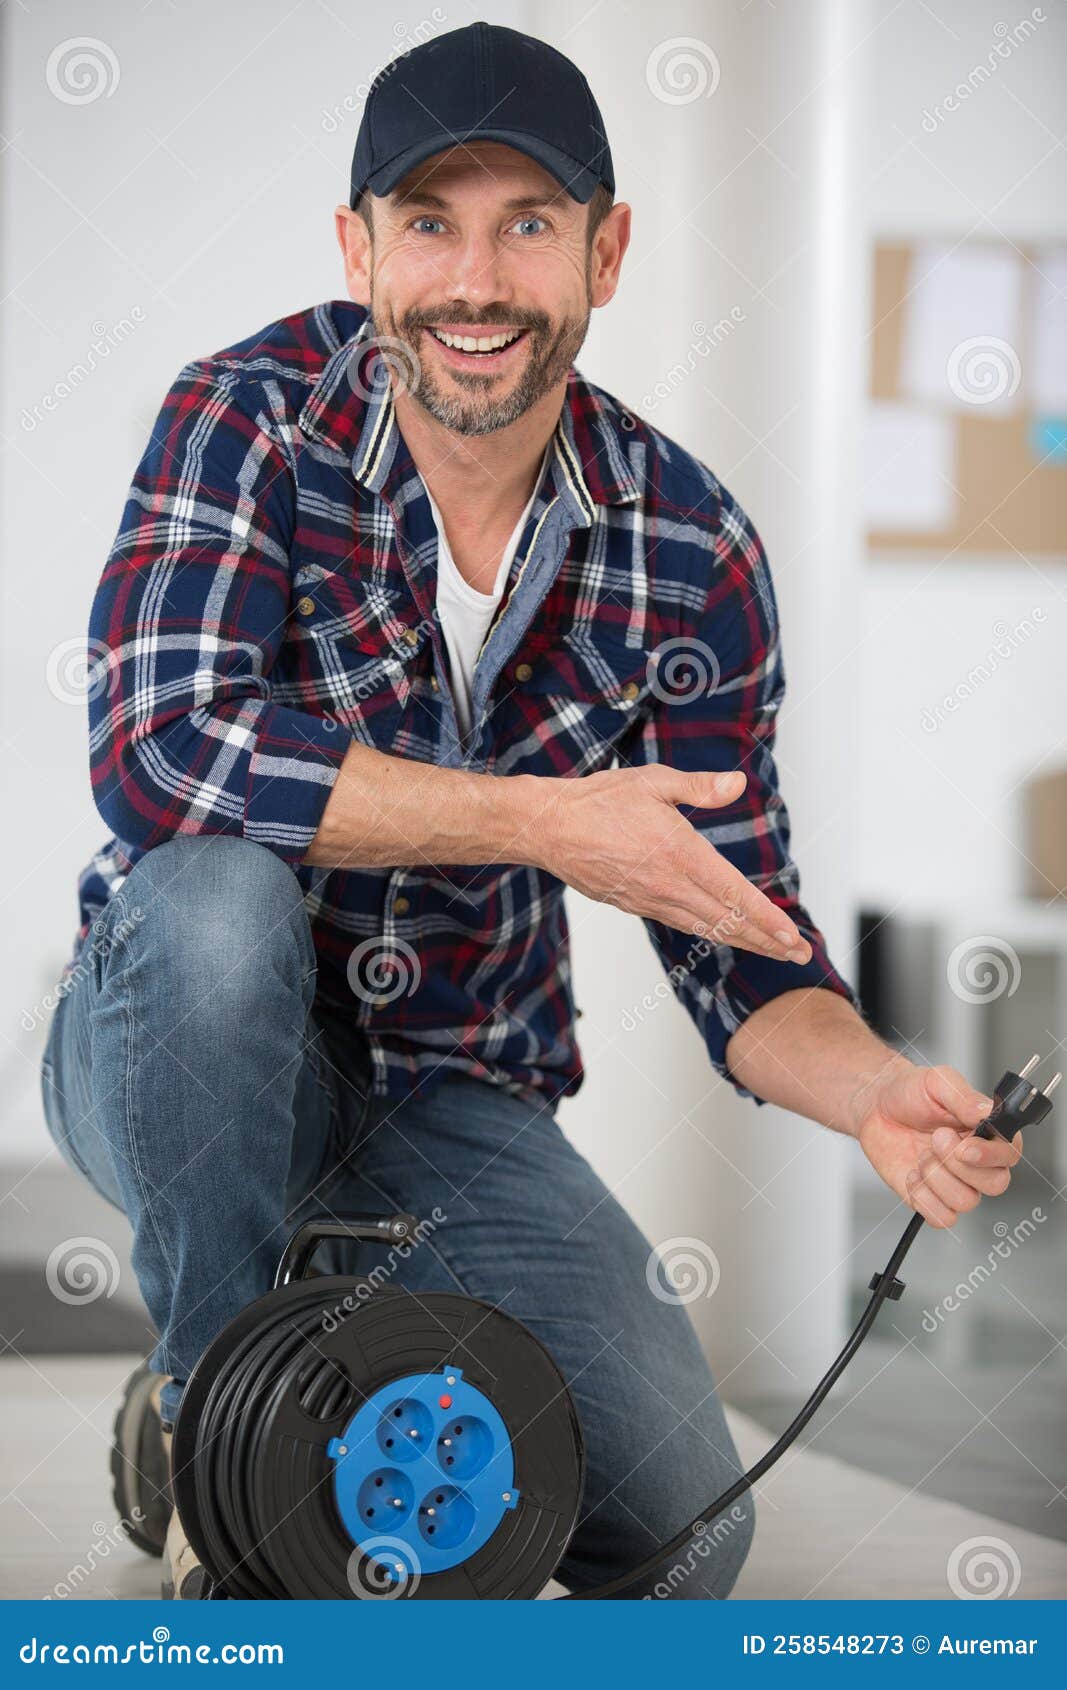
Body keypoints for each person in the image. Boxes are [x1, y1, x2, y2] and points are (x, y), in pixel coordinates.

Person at [40, 21, 1022, 1601]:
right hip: (171, 1044)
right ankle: (215, 1426)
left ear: (604, 253)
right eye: (430, 223)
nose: (477, 280)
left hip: (448, 1096)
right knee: (217, 898)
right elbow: (162, 755)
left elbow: (739, 940)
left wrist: (876, 1093)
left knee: (692, 1534)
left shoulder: (689, 545)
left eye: (530, 225)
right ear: (360, 250)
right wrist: (547, 822)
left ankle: (265, 1399)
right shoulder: (245, 417)